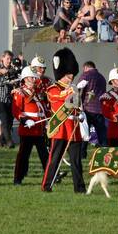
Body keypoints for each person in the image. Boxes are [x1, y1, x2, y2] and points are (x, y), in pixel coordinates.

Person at [41, 48, 86, 193]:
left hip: (73, 127)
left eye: (72, 75)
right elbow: (60, 97)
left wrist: (81, 113)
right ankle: (46, 185)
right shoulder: (52, 89)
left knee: (76, 161)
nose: (71, 78)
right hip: (60, 127)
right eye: (68, 76)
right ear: (61, 74)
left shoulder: (73, 88)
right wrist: (73, 91)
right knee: (54, 160)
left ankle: (79, 188)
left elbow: (77, 106)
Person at [10, 67, 49, 184]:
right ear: (25, 79)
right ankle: (18, 178)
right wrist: (25, 120)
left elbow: (43, 109)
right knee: (23, 155)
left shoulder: (36, 92)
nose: (34, 79)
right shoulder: (20, 92)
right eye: (32, 77)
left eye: (34, 77)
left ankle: (50, 177)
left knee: (44, 155)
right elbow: (16, 110)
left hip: (39, 127)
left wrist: (47, 121)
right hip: (28, 128)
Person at [78, 60, 108, 145]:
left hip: (87, 109)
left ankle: (82, 153)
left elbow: (78, 89)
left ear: (86, 67)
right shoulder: (102, 77)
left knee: (84, 132)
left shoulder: (86, 75)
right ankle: (105, 150)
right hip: (99, 110)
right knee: (102, 134)